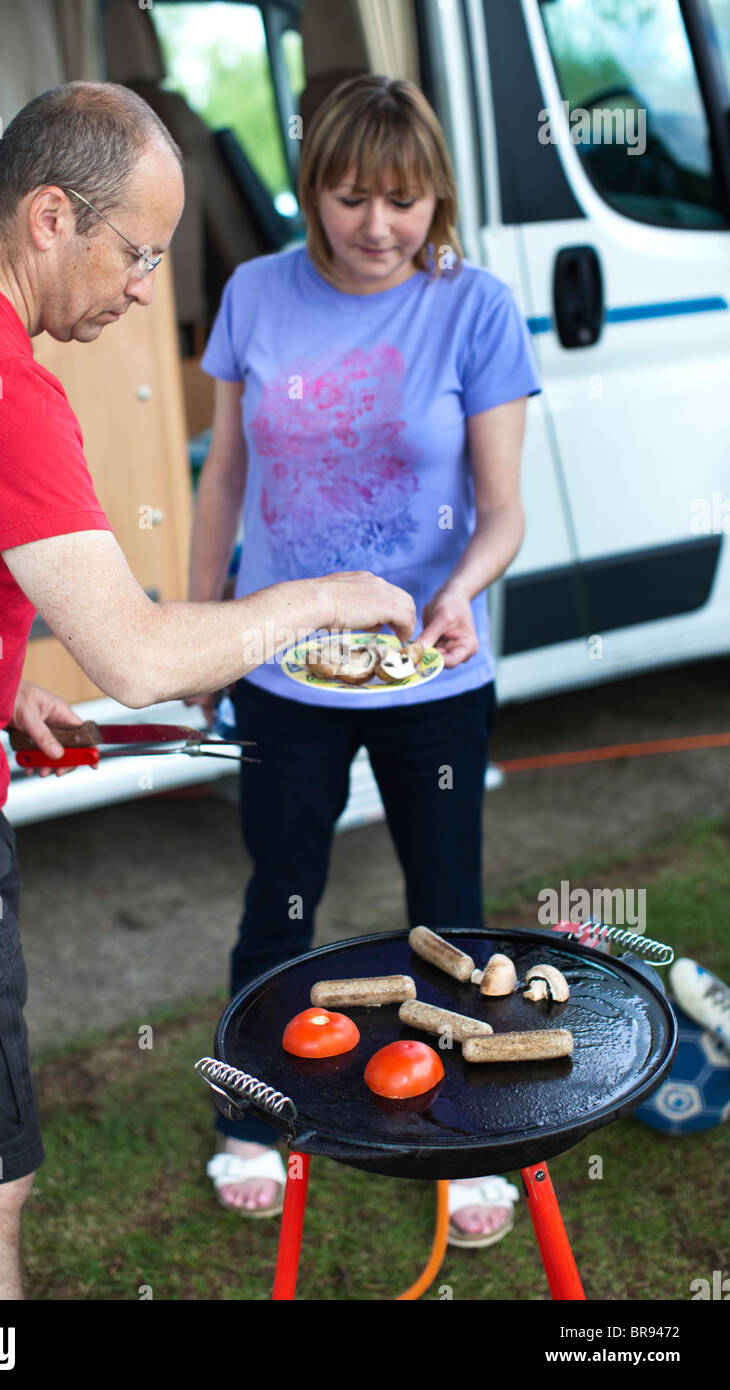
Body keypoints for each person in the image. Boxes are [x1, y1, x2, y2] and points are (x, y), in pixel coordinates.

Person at [0, 79, 415, 1300]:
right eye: (137, 252)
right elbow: (139, 658)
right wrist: (319, 597)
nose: (143, 286)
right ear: (51, 217)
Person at [189, 75, 541, 1243]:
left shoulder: (474, 306)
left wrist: (456, 594)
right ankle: (252, 1114)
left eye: (404, 200)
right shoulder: (253, 291)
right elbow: (225, 477)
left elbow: (502, 510)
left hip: (429, 673)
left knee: (445, 907)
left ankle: (465, 1135)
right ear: (312, 189)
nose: (378, 226)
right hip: (285, 668)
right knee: (278, 899)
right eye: (350, 198)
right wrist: (202, 624)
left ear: (434, 195)